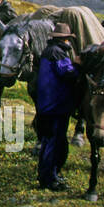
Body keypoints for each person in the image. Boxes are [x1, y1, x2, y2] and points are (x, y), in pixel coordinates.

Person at [33, 22, 80, 191]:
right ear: (65, 39)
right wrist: (78, 66)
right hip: (56, 106)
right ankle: (49, 179)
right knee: (53, 142)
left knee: (49, 141)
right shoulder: (58, 53)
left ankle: (48, 175)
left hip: (47, 105)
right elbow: (67, 73)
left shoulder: (48, 52)